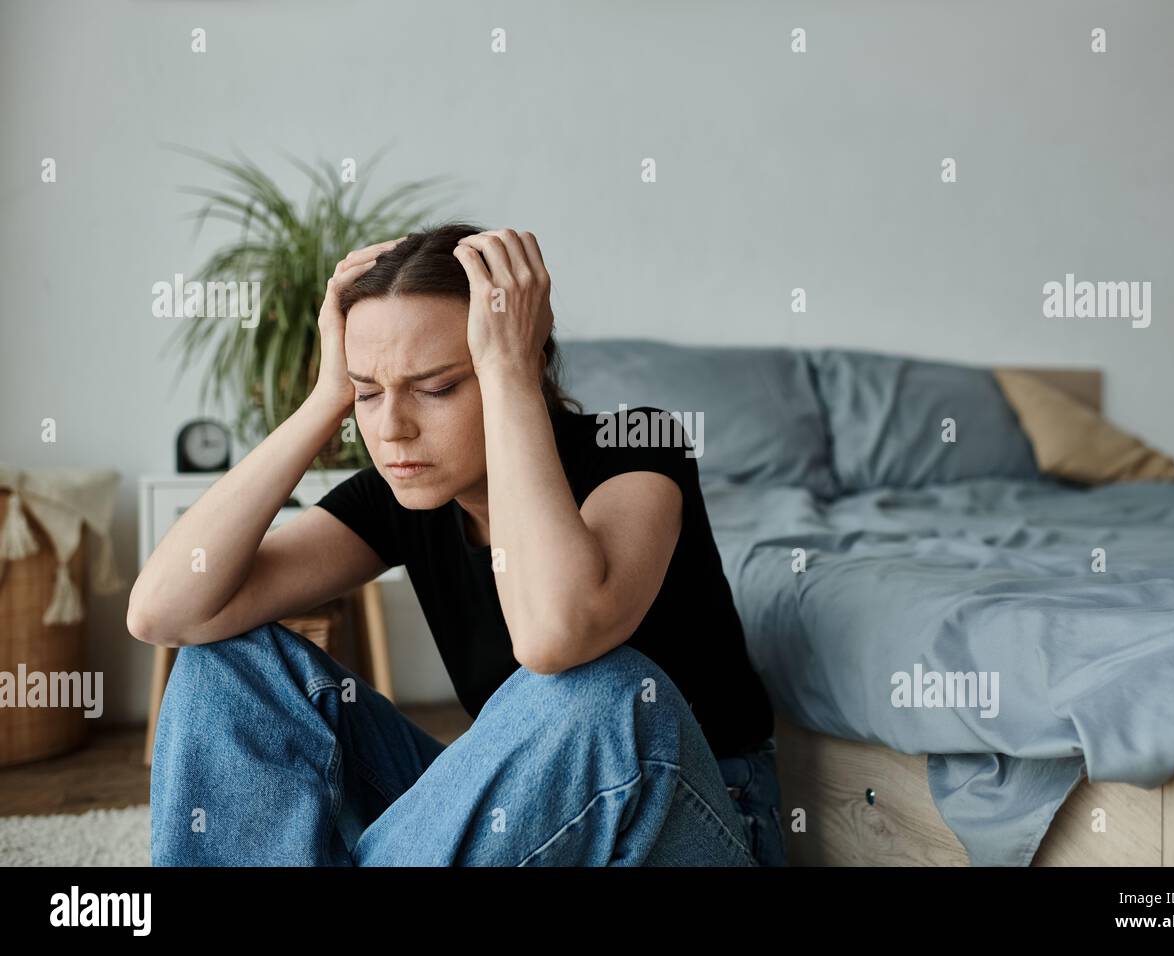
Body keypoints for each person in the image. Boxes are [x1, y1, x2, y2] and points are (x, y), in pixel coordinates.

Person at [129, 222, 785, 866]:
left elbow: (554, 637)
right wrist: (325, 399)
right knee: (230, 660)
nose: (392, 428)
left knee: (603, 688)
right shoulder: (402, 495)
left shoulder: (637, 447)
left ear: (519, 356)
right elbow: (165, 612)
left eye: (436, 387)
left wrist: (508, 370)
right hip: (538, 819)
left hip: (685, 819)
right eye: (369, 391)